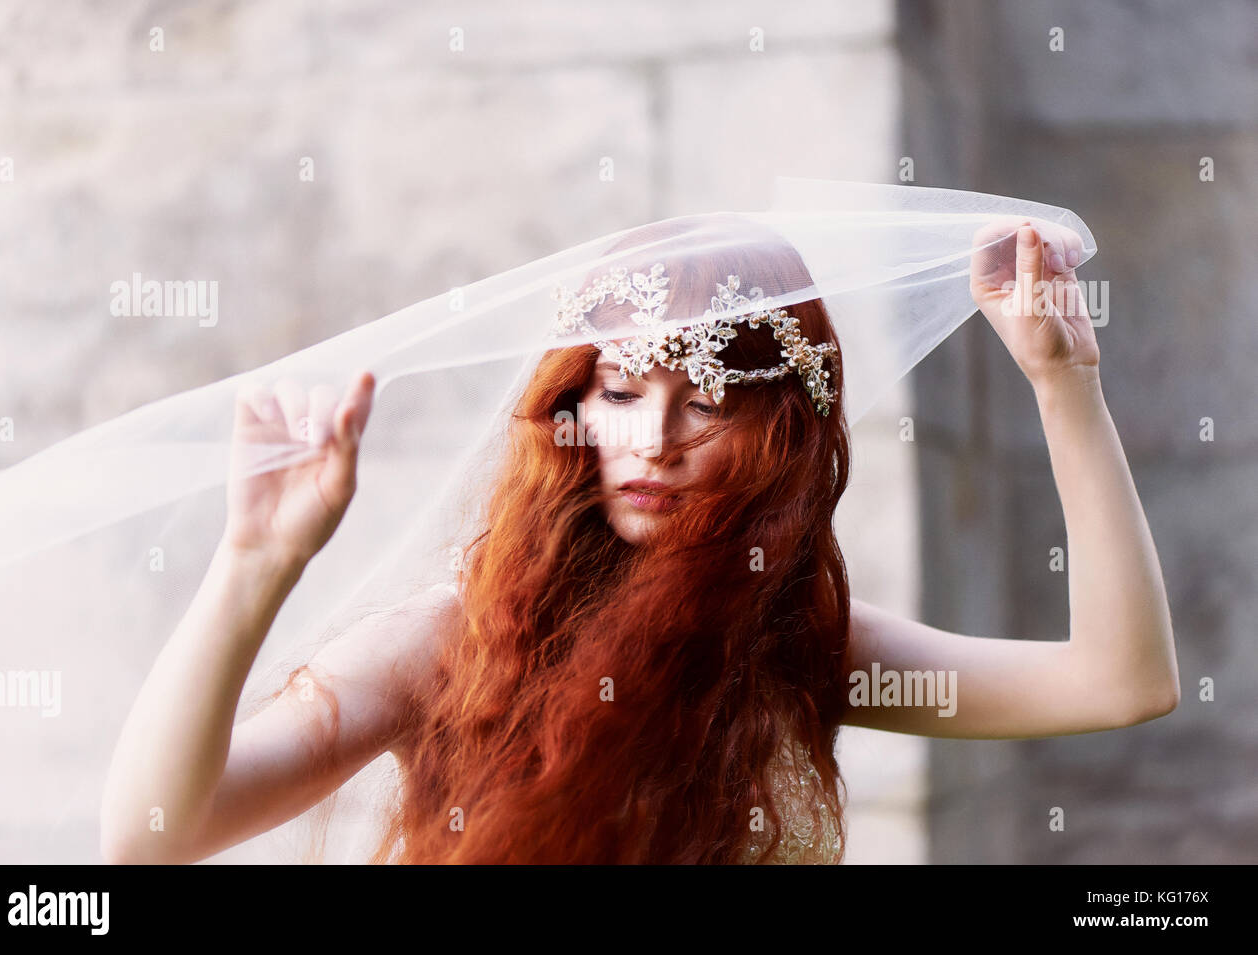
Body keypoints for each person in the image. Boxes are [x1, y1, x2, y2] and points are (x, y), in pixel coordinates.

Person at [98, 213, 1179, 865]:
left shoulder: (798, 645)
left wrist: (1063, 384)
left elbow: (1116, 683)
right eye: (618, 388)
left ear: (780, 430)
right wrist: (253, 568)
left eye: (703, 399)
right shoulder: (450, 643)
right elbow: (154, 832)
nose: (652, 439)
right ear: (575, 404)